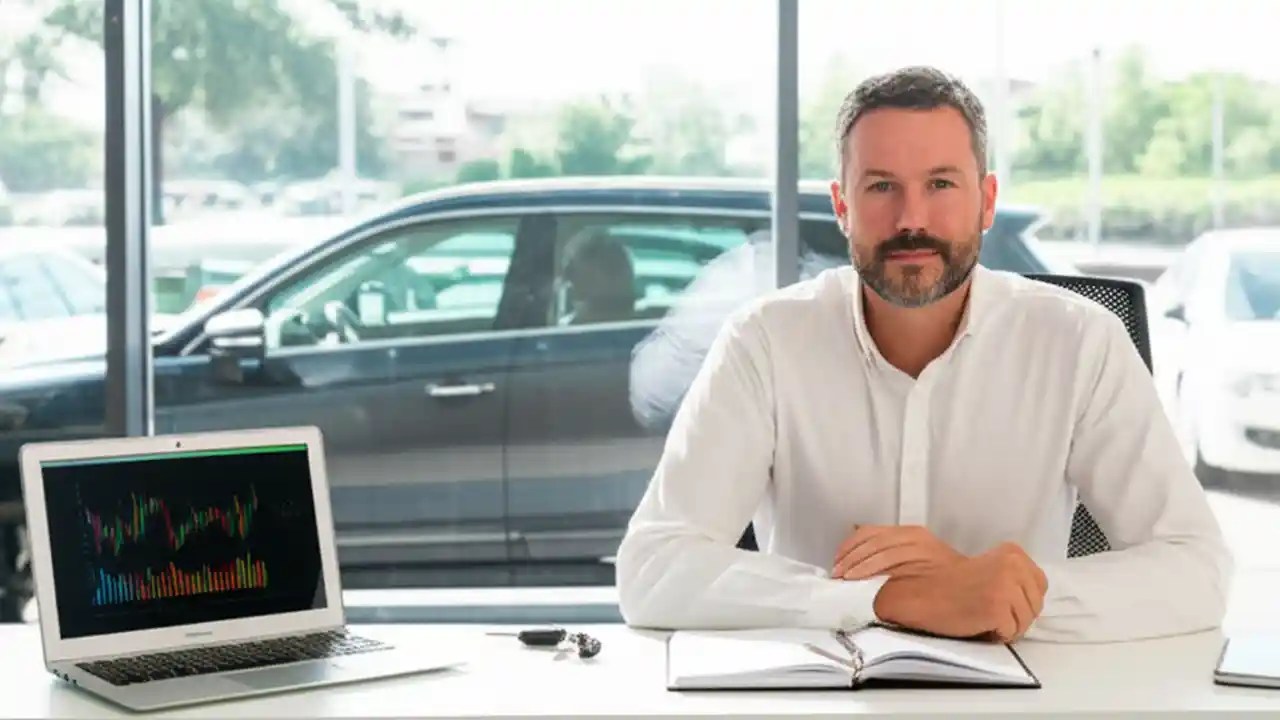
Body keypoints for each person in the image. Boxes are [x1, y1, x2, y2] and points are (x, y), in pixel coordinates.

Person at [615, 65, 1231, 643]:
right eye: (881, 186)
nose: (912, 218)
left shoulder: (1080, 341)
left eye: (941, 184)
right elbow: (652, 568)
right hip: (824, 699)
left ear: (986, 201)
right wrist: (884, 600)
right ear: (841, 206)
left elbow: (1196, 570)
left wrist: (998, 596)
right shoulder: (765, 341)